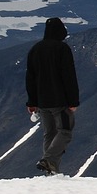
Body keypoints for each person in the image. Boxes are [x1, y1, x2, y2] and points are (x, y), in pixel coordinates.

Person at [25, 17, 80, 175]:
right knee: (65, 131)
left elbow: (30, 77)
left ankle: (50, 169)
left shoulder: (35, 49)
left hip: (42, 101)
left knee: (49, 133)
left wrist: (32, 102)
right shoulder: (62, 49)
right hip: (60, 100)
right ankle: (48, 161)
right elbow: (68, 76)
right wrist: (73, 100)